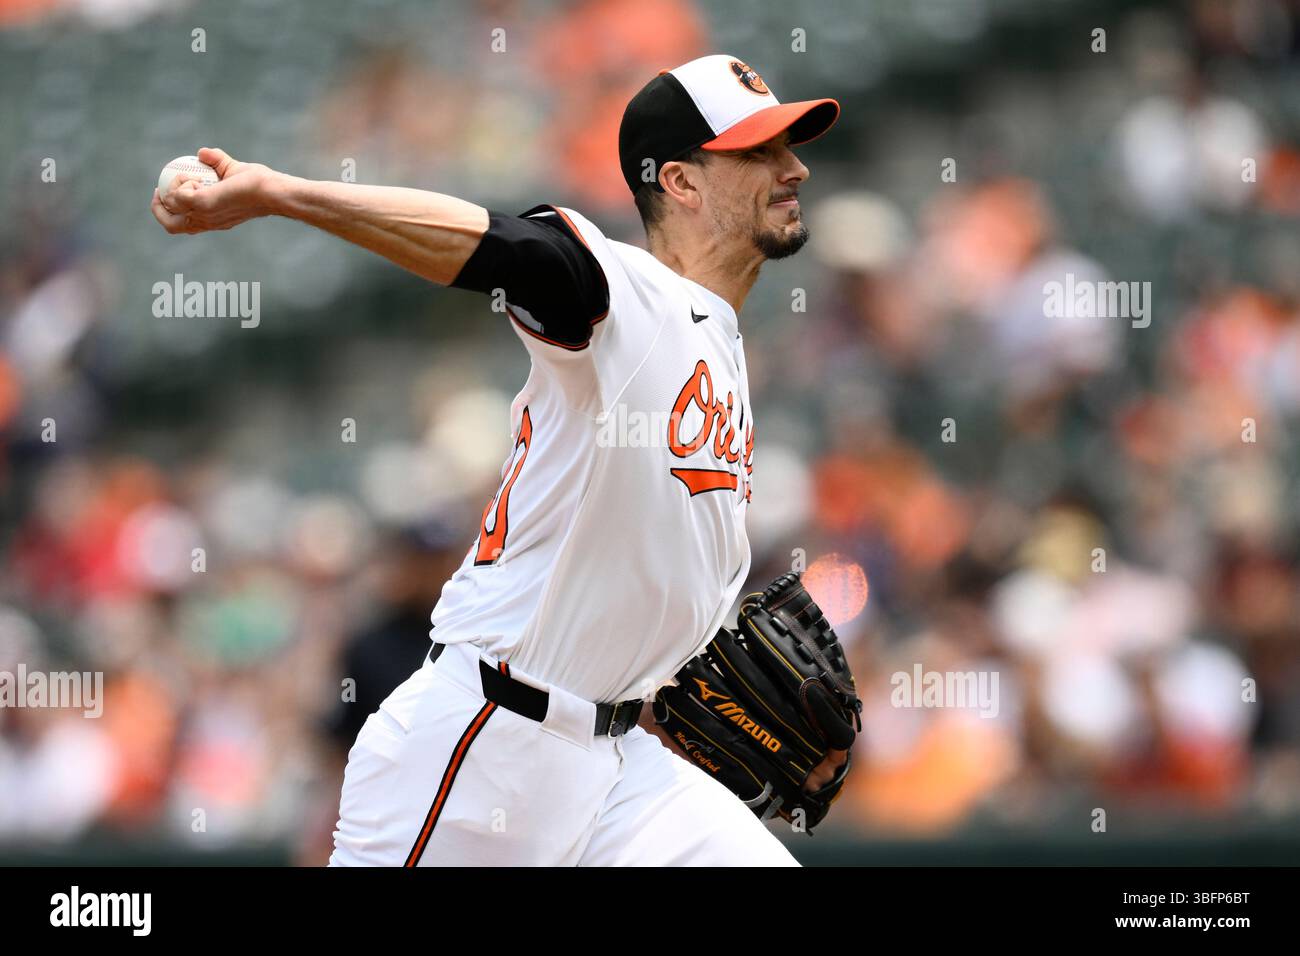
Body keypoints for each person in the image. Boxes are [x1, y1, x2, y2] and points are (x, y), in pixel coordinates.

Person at [152, 54, 844, 866]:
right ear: (683, 184)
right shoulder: (629, 293)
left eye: (788, 147)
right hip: (485, 748)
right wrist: (280, 194)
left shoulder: (718, 343)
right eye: (758, 151)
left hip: (622, 767)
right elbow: (505, 247)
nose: (793, 167)